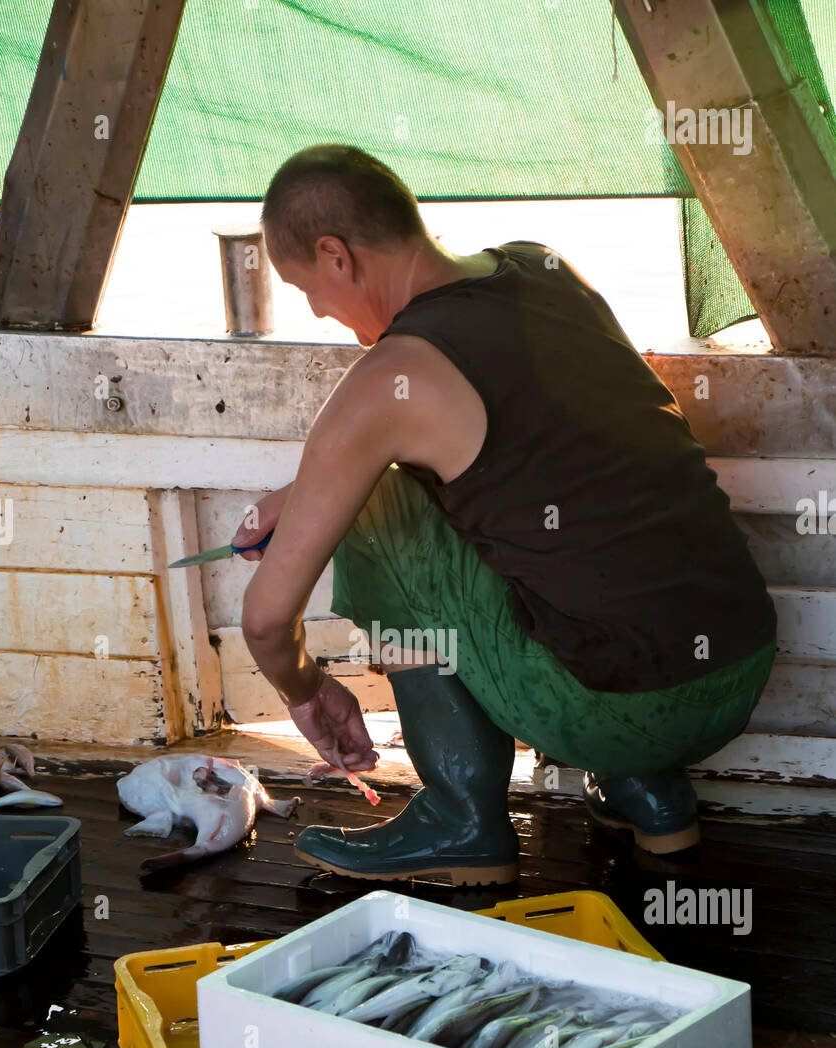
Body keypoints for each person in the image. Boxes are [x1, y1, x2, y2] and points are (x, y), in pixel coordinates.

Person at [233, 144, 776, 885]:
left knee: (378, 512)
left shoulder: (390, 377)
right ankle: (648, 794)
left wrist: (306, 693)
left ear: (337, 256)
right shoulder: (540, 266)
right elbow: (561, 451)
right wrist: (299, 495)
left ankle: (463, 818)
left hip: (613, 709)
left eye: (307, 290)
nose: (321, 312)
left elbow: (266, 618)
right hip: (739, 669)